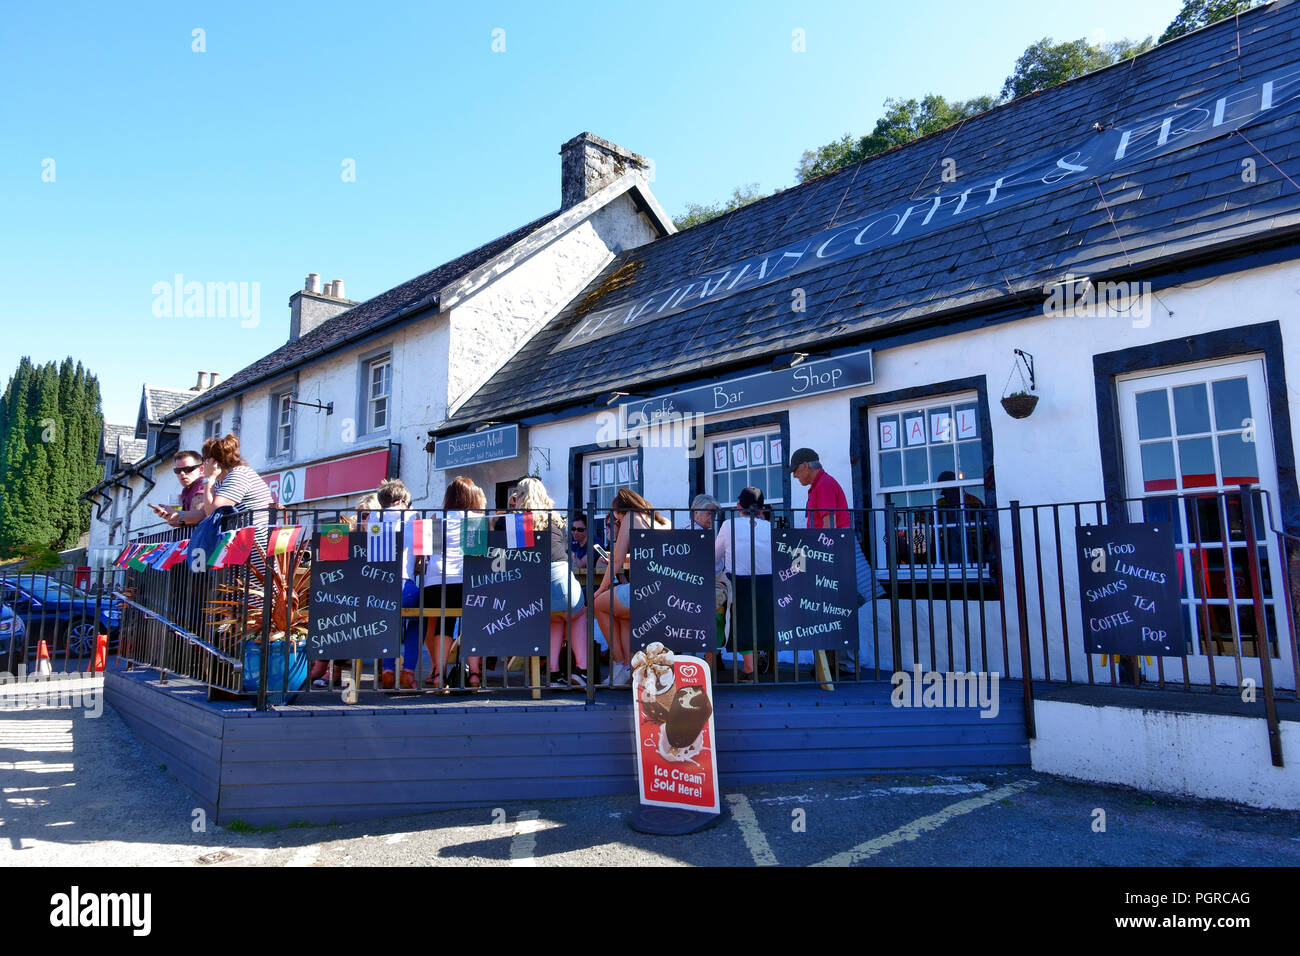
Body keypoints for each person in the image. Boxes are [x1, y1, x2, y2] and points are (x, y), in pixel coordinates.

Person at [511, 478, 588, 688]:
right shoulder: (555, 520)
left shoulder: (518, 522)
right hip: (562, 579)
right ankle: (582, 670)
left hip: (535, 589)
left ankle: (553, 674)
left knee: (555, 620)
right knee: (579, 614)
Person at [592, 488, 670, 688]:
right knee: (623, 615)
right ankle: (630, 666)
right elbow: (646, 555)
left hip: (643, 591)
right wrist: (622, 557)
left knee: (598, 604)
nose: (617, 521)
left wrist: (601, 589)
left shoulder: (630, 517)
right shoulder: (662, 522)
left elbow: (617, 559)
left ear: (619, 510)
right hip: (664, 591)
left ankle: (620, 665)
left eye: (616, 518)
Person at [791, 447, 856, 675]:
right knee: (827, 609)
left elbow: (829, 523)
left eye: (795, 471)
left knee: (835, 608)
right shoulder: (818, 486)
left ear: (806, 465)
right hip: (825, 554)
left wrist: (823, 559)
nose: (794, 476)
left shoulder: (825, 484)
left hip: (830, 556)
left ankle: (843, 665)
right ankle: (830, 664)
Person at [424, 476, 484, 688]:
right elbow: (477, 555)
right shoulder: (476, 519)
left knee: (443, 623)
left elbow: (427, 554)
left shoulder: (435, 519)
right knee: (473, 621)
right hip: (464, 581)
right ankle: (475, 674)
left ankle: (440, 674)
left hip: (435, 581)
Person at [715, 487, 774, 681]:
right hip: (768, 586)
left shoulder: (728, 525)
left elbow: (714, 557)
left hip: (737, 585)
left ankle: (748, 667)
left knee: (728, 612)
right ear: (762, 508)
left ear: (739, 506)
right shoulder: (770, 528)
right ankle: (762, 656)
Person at [376, 478, 420, 691]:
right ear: (402, 501)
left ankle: (387, 669)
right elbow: (424, 551)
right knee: (418, 618)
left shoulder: (374, 517)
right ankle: (409, 669)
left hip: (378, 585)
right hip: (405, 584)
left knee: (387, 620)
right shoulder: (413, 516)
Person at [149, 450, 207, 528]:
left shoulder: (203, 483)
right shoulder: (186, 489)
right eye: (178, 470)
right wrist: (171, 516)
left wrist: (177, 514)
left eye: (187, 469)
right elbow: (183, 522)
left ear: (201, 469)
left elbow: (198, 517)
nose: (182, 473)